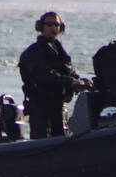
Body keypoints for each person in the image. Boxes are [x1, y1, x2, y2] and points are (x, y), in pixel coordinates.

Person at [18, 11, 92, 139]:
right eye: (50, 24)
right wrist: (69, 81)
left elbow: (70, 72)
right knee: (41, 142)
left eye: (56, 25)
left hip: (58, 105)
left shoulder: (59, 51)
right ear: (41, 27)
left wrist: (82, 82)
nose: (53, 28)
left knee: (61, 139)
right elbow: (44, 75)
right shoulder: (33, 52)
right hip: (41, 107)